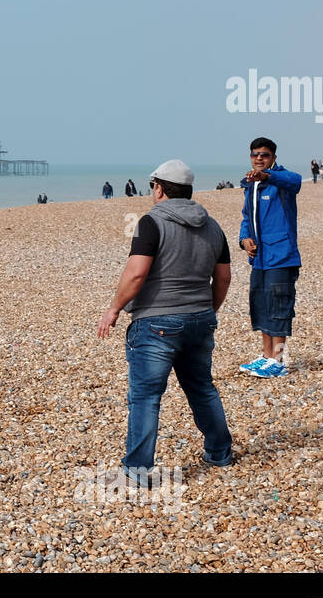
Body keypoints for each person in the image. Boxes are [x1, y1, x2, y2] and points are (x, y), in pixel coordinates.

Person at [96, 160, 234, 476]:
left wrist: (114, 308)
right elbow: (223, 278)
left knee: (145, 397)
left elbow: (136, 274)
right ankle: (219, 453)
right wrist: (208, 311)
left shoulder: (151, 223)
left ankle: (137, 471)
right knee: (201, 387)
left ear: (159, 188)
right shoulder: (212, 226)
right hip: (199, 319)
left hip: (156, 324)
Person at [236, 138, 302, 378]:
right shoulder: (250, 185)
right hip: (259, 258)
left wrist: (268, 177)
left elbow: (296, 181)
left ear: (273, 157)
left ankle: (279, 360)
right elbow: (246, 217)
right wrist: (244, 240)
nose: (259, 158)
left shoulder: (281, 180)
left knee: (279, 307)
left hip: (282, 256)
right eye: (255, 155)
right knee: (261, 306)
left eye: (264, 154)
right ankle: (266, 357)